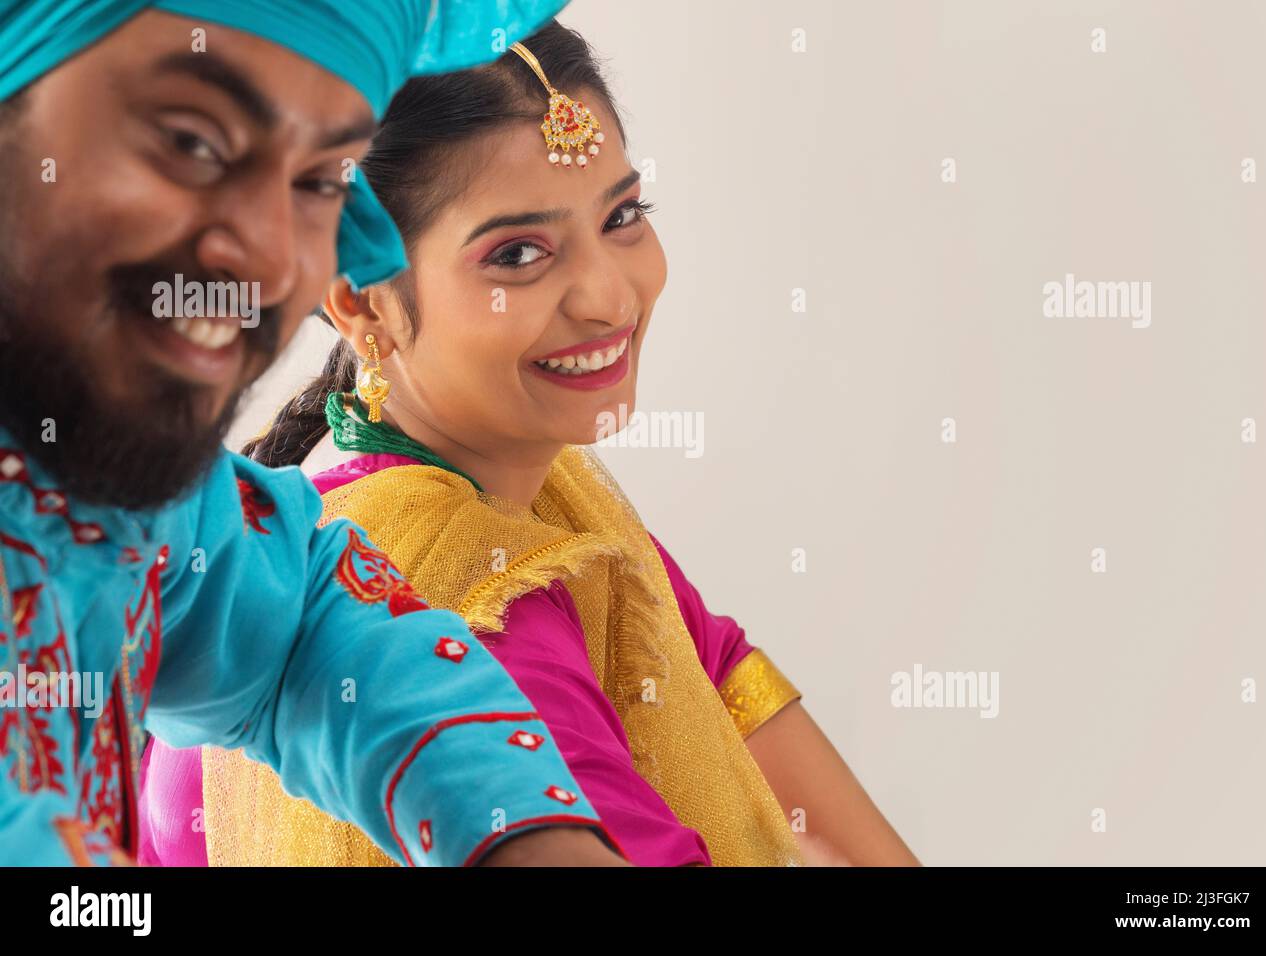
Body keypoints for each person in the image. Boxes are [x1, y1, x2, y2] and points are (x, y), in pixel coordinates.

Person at [143, 22, 920, 867]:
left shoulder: (494, 497)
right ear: (360, 300)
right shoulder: (478, 599)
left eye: (622, 215)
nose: (609, 294)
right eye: (518, 253)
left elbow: (713, 671)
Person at [0, 0, 626, 867]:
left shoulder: (90, 469)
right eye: (191, 141)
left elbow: (298, 629)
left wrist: (526, 838)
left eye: (319, 181)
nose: (269, 257)